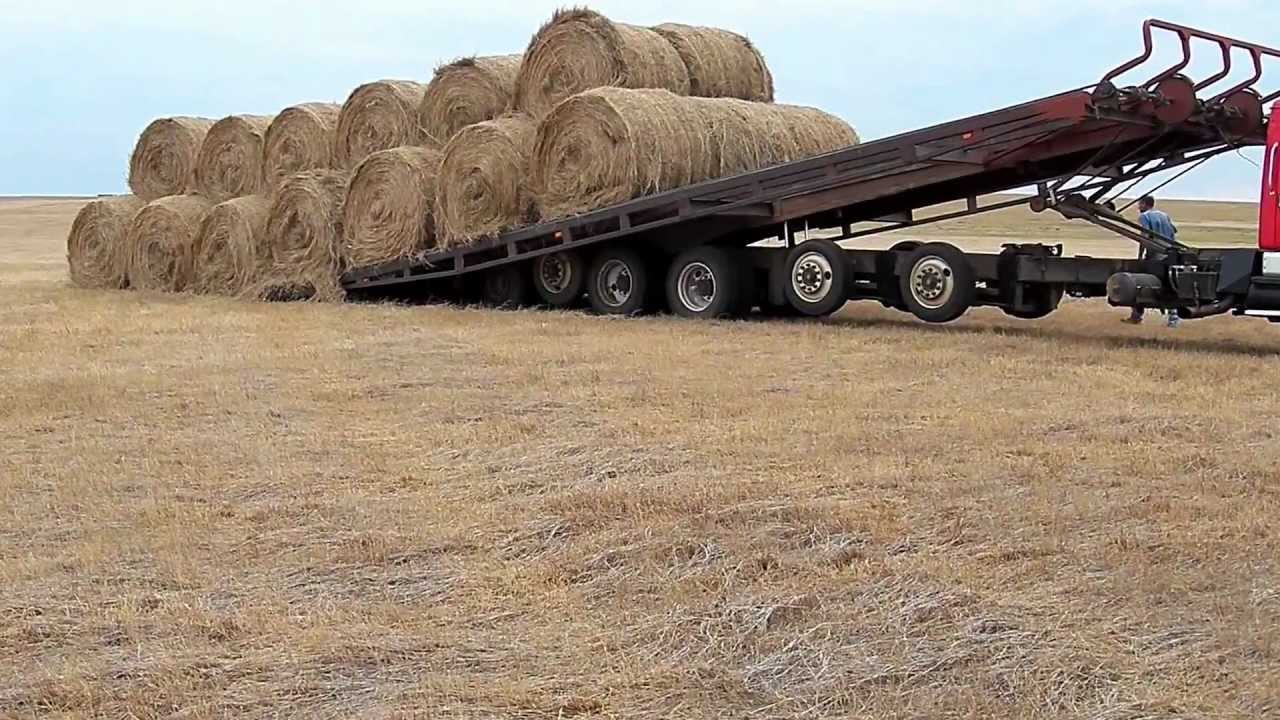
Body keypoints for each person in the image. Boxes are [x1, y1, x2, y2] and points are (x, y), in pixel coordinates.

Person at [1124, 195, 1181, 328]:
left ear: (1144, 204)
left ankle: (1137, 316)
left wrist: (1140, 255)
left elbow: (1145, 236)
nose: (1138, 207)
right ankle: (1173, 318)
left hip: (1154, 255)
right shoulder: (1164, 215)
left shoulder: (1145, 217)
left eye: (1139, 204)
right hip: (1169, 254)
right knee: (1169, 283)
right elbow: (1173, 232)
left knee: (1141, 284)